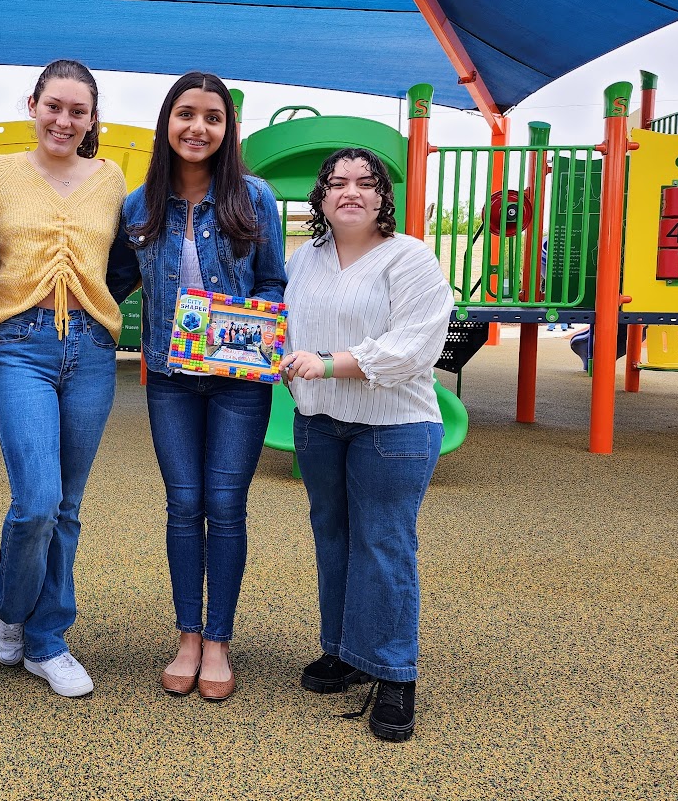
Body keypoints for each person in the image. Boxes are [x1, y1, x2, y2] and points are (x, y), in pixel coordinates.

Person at [108, 71, 287, 701]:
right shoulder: (138, 206)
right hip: (170, 380)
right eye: (186, 114)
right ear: (167, 123)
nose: (197, 128)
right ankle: (187, 635)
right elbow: (114, 282)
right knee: (184, 506)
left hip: (238, 379)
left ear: (226, 129)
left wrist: (247, 331)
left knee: (226, 504)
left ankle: (219, 641)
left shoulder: (254, 199)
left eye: (212, 117)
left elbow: (273, 282)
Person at [280, 147, 453, 741]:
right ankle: (347, 651)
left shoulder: (409, 259)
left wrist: (326, 365)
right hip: (321, 423)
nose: (349, 192)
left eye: (364, 182)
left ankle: (395, 672)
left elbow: (413, 348)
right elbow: (287, 326)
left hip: (394, 427)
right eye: (336, 183)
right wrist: (272, 356)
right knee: (334, 537)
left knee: (382, 543)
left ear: (383, 196)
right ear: (321, 198)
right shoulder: (306, 259)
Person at [0, 60, 128, 698]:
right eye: (54, 106)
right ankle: (10, 607)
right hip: (18, 346)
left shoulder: (111, 180)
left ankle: (48, 639)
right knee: (35, 499)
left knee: (67, 506)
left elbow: (127, 257)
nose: (64, 120)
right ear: (33, 104)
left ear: (92, 119)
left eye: (78, 111)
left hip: (92, 348)